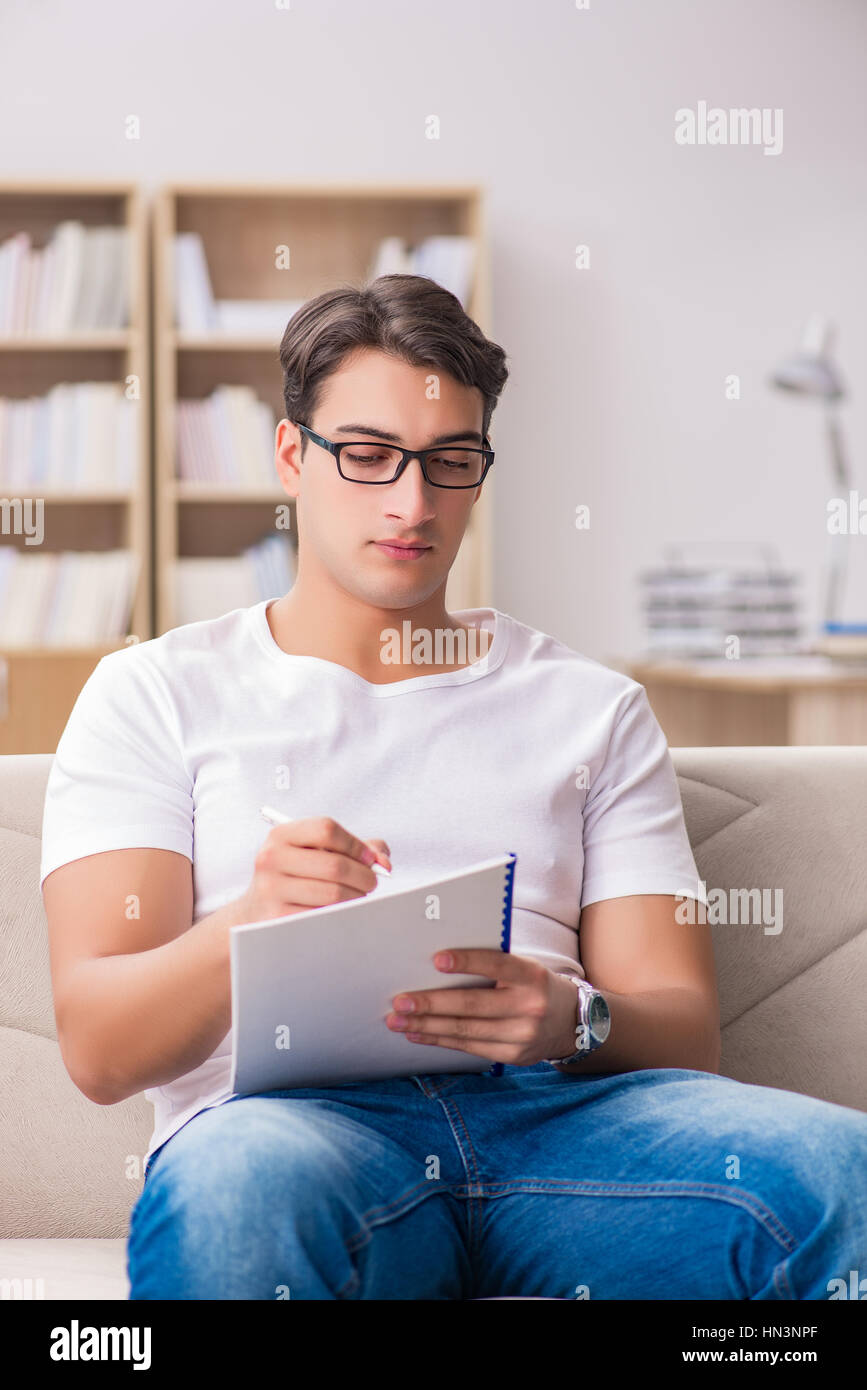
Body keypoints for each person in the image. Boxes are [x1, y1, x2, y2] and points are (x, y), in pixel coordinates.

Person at [41, 275, 867, 1300]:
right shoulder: (154, 693)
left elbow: (682, 1028)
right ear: (294, 456)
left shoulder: (590, 707)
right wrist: (247, 922)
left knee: (848, 1174)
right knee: (233, 1198)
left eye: (449, 462)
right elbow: (100, 1048)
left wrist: (570, 1019)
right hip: (299, 1130)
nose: (411, 502)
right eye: (369, 454)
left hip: (566, 1121)